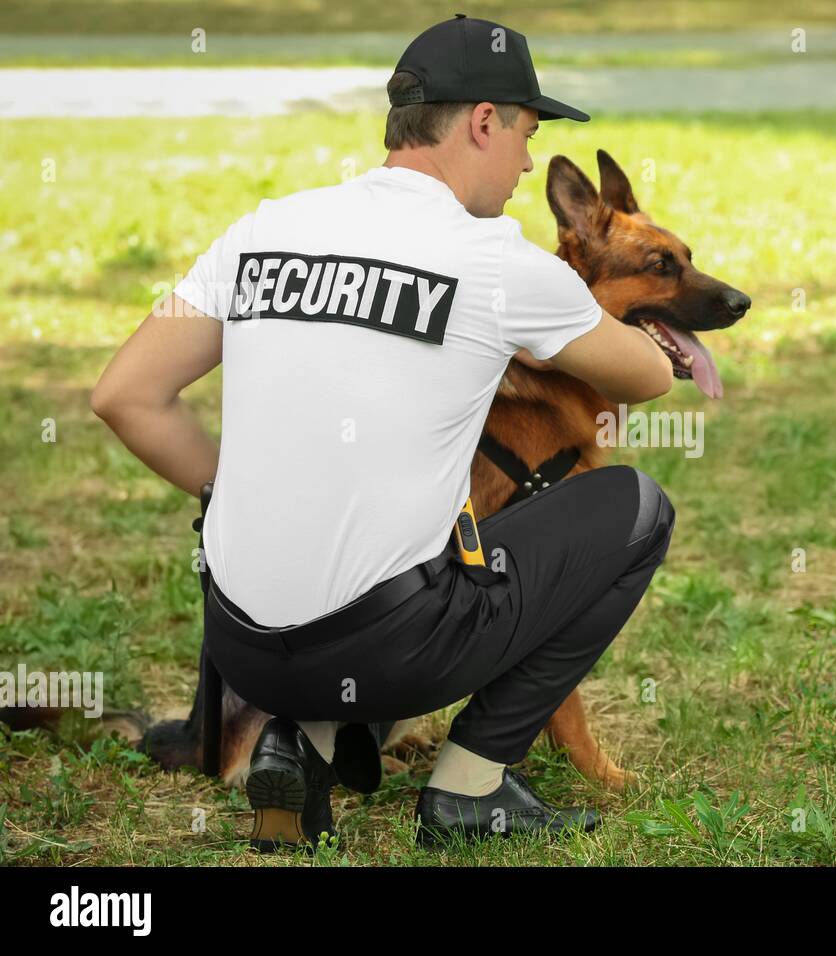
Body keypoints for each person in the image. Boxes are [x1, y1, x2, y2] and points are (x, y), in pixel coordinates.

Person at [90, 14, 677, 851]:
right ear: (483, 122)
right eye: (526, 134)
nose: (522, 165)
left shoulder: (264, 230)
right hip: (392, 646)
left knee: (399, 546)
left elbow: (125, 395)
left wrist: (243, 495)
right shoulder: (497, 261)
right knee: (634, 506)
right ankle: (473, 783)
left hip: (242, 654)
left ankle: (306, 739)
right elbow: (649, 375)